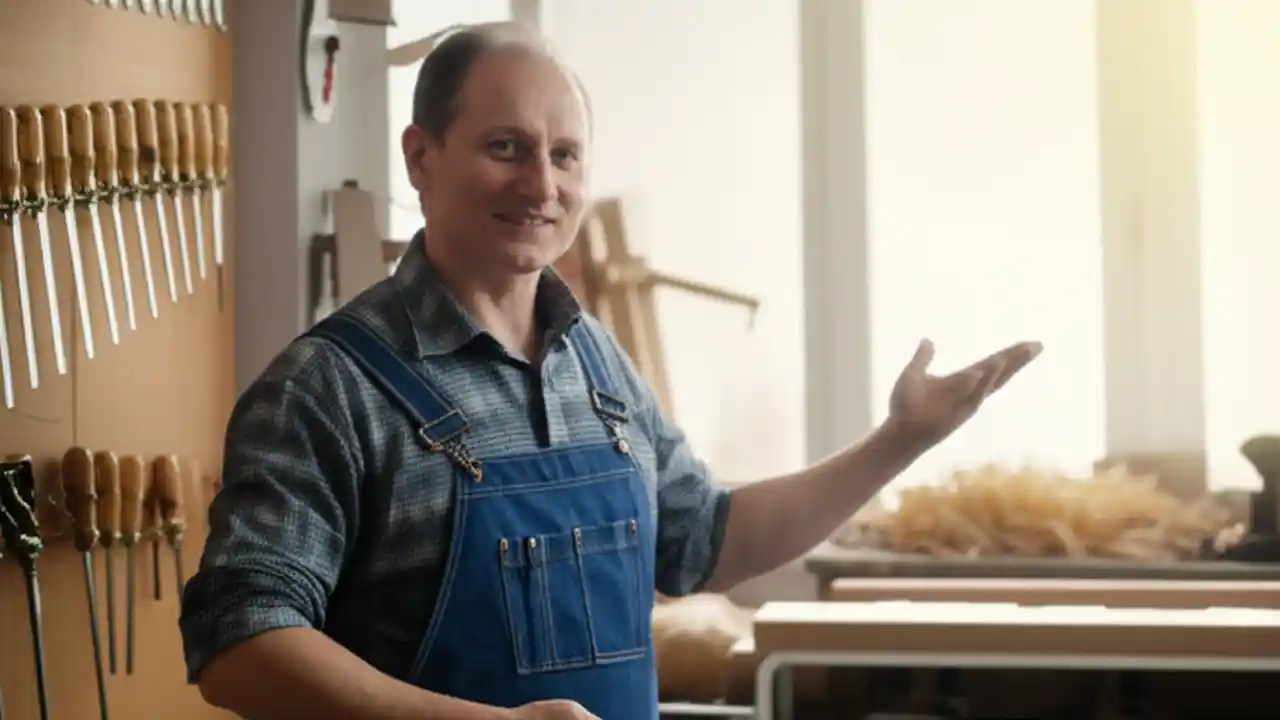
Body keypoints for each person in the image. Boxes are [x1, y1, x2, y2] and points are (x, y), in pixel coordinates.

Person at [180, 20, 1041, 720]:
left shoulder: (592, 363)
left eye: (565, 156)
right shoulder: (328, 387)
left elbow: (702, 543)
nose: (541, 185)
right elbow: (239, 642)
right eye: (506, 147)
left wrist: (900, 441)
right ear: (420, 158)